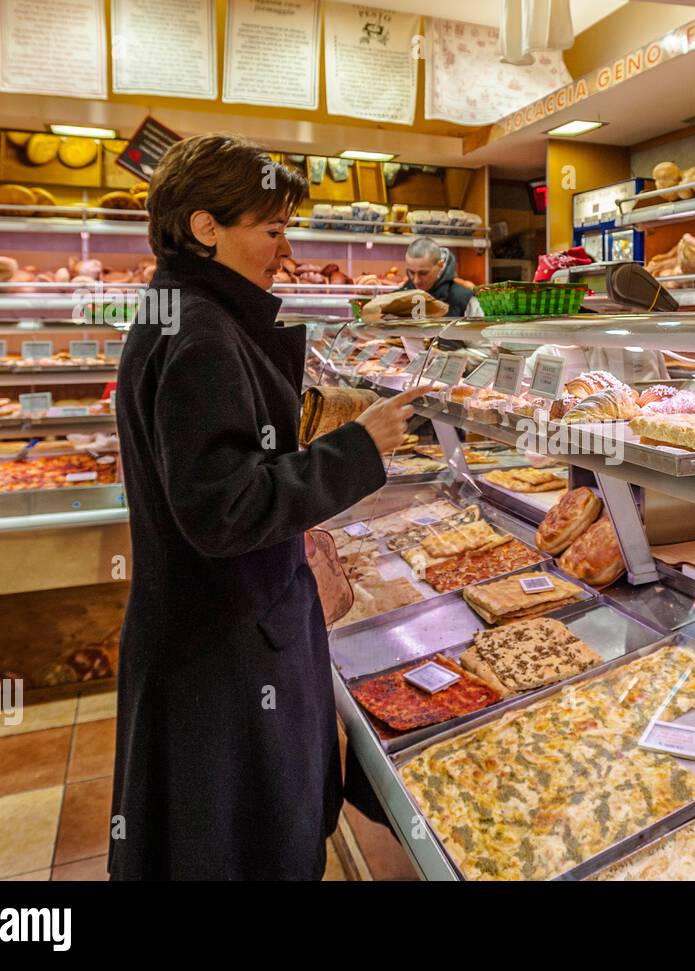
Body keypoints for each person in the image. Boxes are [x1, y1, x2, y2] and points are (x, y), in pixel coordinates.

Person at [110, 133, 431, 880]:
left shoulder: (175, 309)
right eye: (272, 228)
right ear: (204, 227)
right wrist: (361, 445)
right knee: (241, 847)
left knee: (204, 844)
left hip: (199, 631)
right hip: (225, 648)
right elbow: (225, 508)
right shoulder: (201, 333)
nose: (284, 249)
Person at [400, 237, 474, 317]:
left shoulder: (466, 299)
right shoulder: (401, 295)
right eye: (411, 272)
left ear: (440, 265)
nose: (416, 281)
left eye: (423, 273)